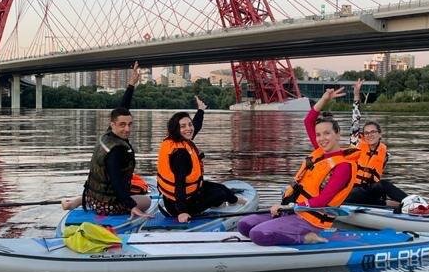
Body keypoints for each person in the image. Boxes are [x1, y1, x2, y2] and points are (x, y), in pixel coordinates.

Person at [237, 86, 358, 246]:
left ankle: (307, 237)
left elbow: (323, 200)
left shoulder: (343, 166)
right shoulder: (320, 152)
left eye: (327, 133)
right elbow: (308, 121)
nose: (322, 139)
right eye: (318, 134)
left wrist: (291, 207)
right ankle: (283, 227)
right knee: (244, 225)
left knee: (257, 234)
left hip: (311, 219)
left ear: (337, 134)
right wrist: (324, 100)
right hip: (293, 211)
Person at [60, 62, 152, 218]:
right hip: (107, 205)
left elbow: (122, 109)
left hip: (91, 196)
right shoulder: (117, 150)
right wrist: (132, 206)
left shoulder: (108, 134)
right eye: (122, 125)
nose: (127, 129)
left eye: (129, 124)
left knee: (122, 188)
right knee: (147, 201)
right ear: (113, 124)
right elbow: (116, 181)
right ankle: (111, 208)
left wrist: (131, 85)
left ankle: (73, 202)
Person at [157, 97, 239, 222]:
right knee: (221, 194)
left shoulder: (178, 140)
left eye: (189, 124)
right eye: (183, 126)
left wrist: (201, 110)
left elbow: (196, 126)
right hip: (181, 205)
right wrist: (182, 212)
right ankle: (231, 203)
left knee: (222, 188)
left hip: (176, 198)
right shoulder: (180, 154)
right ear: (176, 129)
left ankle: (234, 200)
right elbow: (179, 184)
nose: (188, 128)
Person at [347, 79, 408, 209]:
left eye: (373, 132)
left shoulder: (385, 154)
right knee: (355, 193)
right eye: (366, 133)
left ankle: (415, 204)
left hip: (370, 191)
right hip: (352, 192)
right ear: (363, 135)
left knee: (384, 184)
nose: (370, 135)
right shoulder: (356, 144)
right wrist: (356, 95)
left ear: (380, 134)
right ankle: (390, 205)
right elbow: (355, 120)